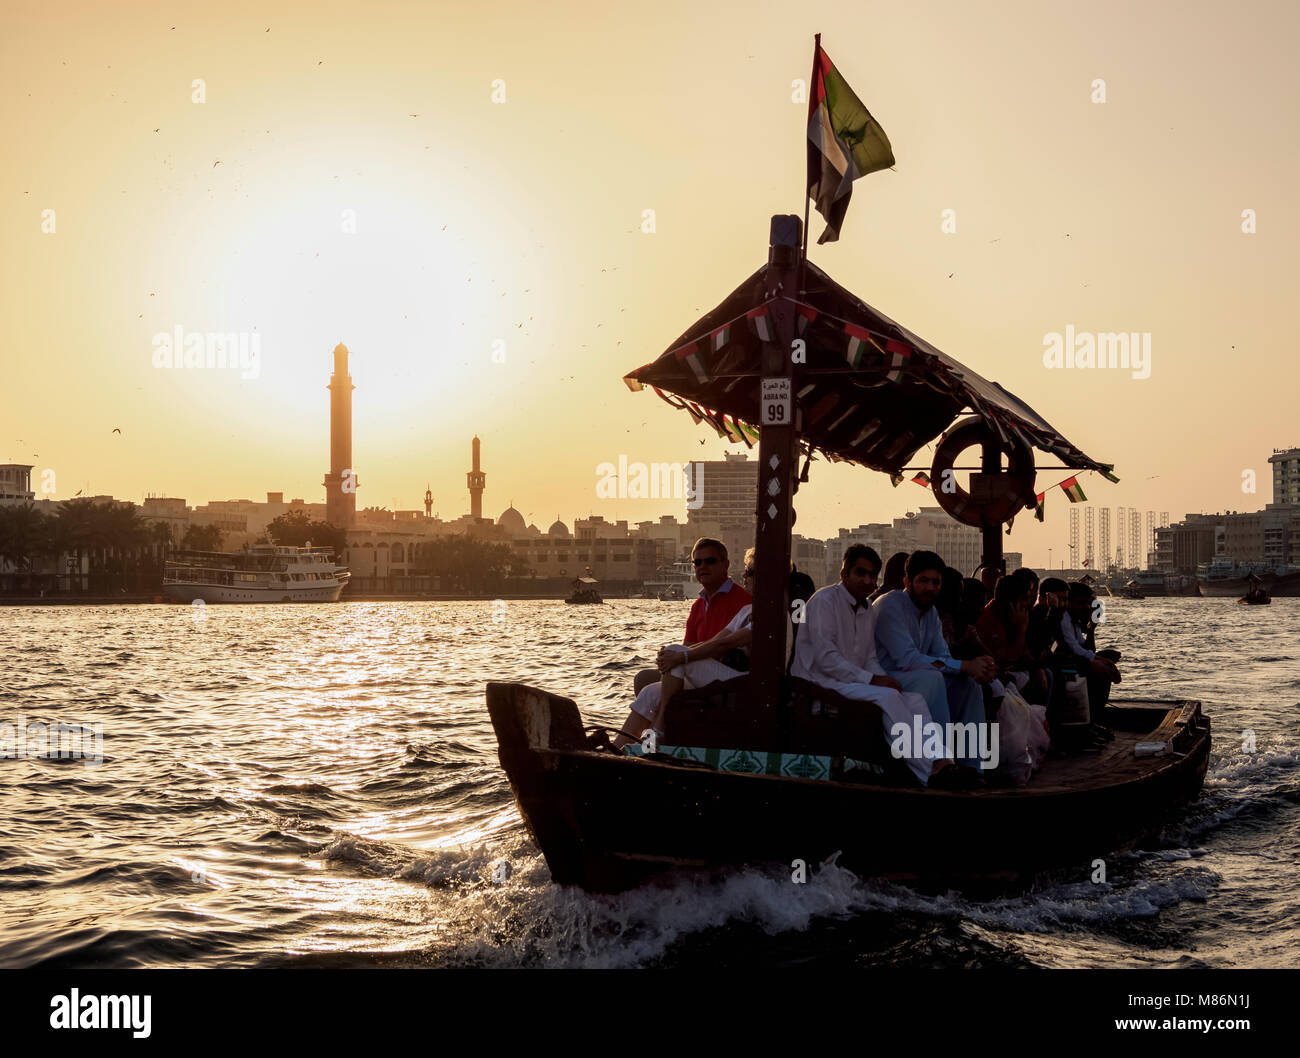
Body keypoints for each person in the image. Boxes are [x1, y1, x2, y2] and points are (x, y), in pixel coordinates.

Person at [793, 544, 980, 788]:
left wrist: (882, 678)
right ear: (844, 573)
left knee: (913, 699)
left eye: (872, 575)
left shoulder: (866, 609)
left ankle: (945, 762)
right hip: (820, 681)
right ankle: (930, 771)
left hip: (852, 680)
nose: (867, 580)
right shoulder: (824, 601)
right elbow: (825, 659)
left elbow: (870, 657)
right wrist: (872, 680)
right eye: (860, 573)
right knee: (890, 698)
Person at [617, 549, 757, 747]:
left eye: (749, 572)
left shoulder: (768, 611)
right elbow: (716, 640)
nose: (744, 576)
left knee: (678, 654)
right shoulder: (746, 610)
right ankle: (616, 749)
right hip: (726, 679)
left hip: (745, 687)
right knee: (650, 692)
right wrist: (672, 656)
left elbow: (725, 644)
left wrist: (680, 657)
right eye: (697, 563)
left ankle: (656, 735)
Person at [873, 551, 998, 771]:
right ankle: (940, 764)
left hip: (916, 676)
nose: (930, 588)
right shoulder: (890, 605)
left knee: (968, 685)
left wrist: (977, 667)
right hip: (884, 677)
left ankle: (972, 767)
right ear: (907, 581)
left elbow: (943, 658)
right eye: (923, 581)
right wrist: (965, 665)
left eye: (935, 582)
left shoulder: (930, 613)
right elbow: (907, 659)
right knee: (933, 679)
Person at [632, 537, 752, 696]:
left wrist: (679, 655)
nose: (703, 567)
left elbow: (722, 646)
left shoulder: (745, 602)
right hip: (694, 667)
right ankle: (661, 719)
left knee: (659, 676)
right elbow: (689, 646)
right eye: (698, 563)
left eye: (710, 561)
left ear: (726, 565)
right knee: (643, 679)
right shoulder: (697, 606)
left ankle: (663, 717)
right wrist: (668, 656)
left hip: (726, 673)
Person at [1060, 582, 1122, 729]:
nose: (1086, 607)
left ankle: (1092, 721)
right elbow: (1074, 649)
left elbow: (1085, 648)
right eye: (1081, 603)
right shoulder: (1064, 619)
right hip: (1064, 665)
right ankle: (1088, 724)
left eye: (1088, 604)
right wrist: (1096, 661)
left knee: (1107, 657)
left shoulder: (1073, 622)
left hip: (1074, 661)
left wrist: (1091, 629)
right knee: (1098, 670)